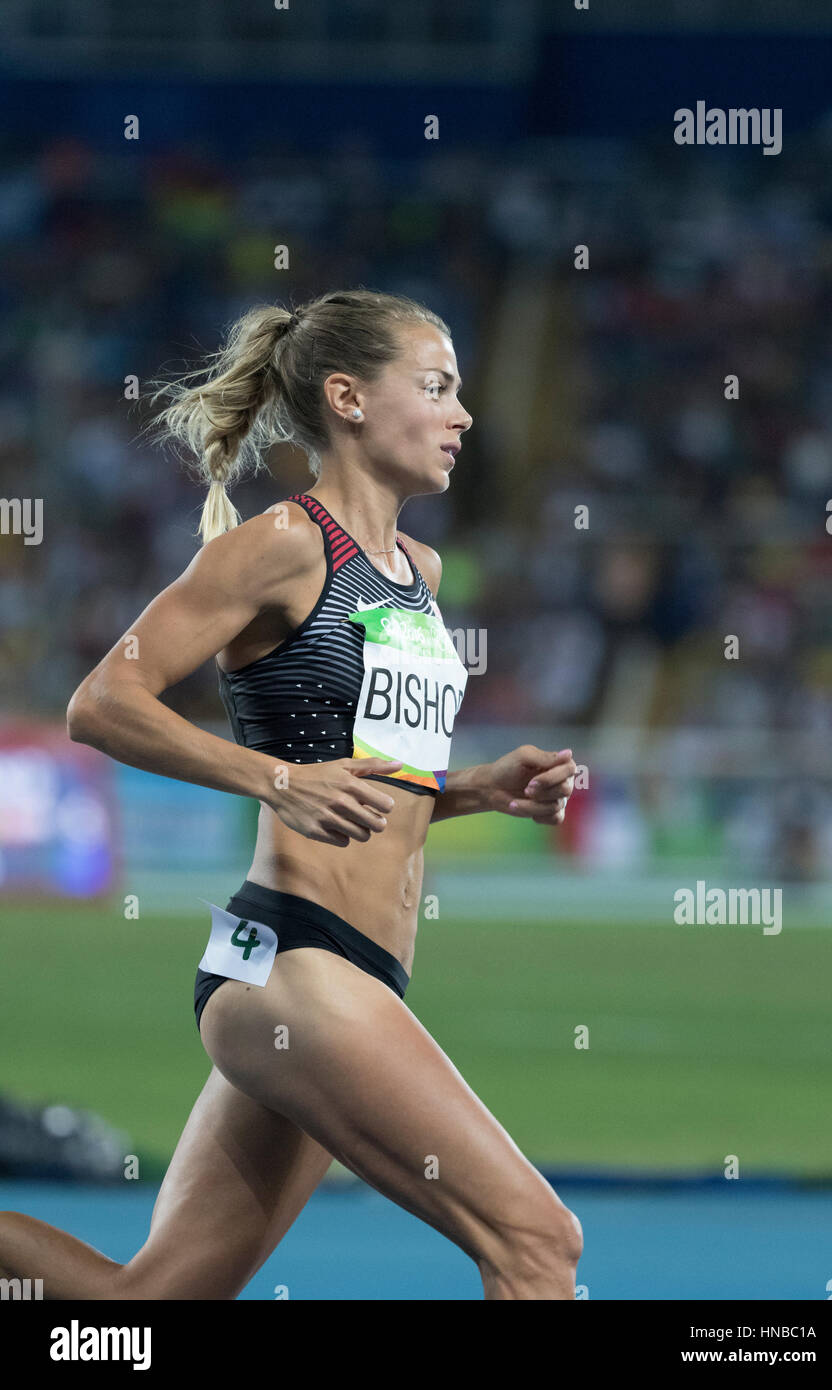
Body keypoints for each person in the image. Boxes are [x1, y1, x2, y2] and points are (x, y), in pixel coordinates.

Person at [0, 289, 581, 1300]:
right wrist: (272, 778)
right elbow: (102, 703)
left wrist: (474, 791)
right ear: (348, 398)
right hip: (295, 966)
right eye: (436, 388)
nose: (463, 416)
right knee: (537, 1242)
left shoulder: (419, 573)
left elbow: (363, 787)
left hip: (344, 974)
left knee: (145, 1305)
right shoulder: (282, 545)